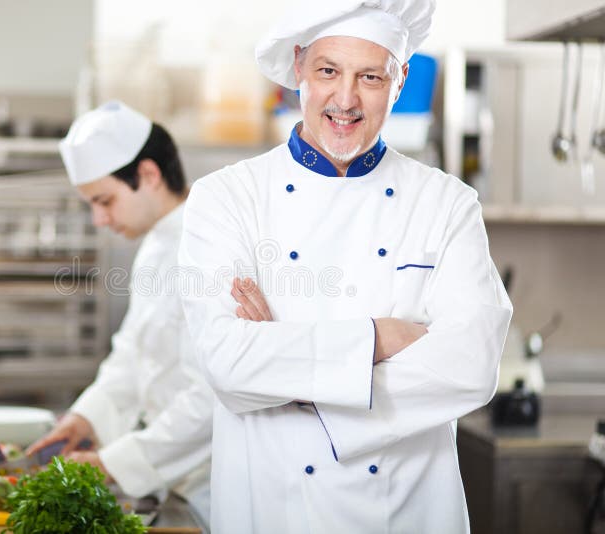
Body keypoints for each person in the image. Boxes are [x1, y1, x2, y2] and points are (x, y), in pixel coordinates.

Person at [177, 1, 512, 532]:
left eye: (371, 77)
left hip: (407, 511)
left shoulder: (447, 204)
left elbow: (471, 366)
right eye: (328, 71)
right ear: (298, 72)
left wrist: (288, 365)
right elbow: (227, 365)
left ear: (400, 81)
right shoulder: (225, 199)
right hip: (271, 507)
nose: (346, 99)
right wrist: (378, 338)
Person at [28, 100, 213, 522]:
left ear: (148, 175)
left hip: (210, 488)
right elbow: (132, 353)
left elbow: (213, 396)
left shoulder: (210, 246)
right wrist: (85, 417)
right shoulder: (154, 245)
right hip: (170, 481)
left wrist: (114, 463)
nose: (99, 219)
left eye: (104, 200)